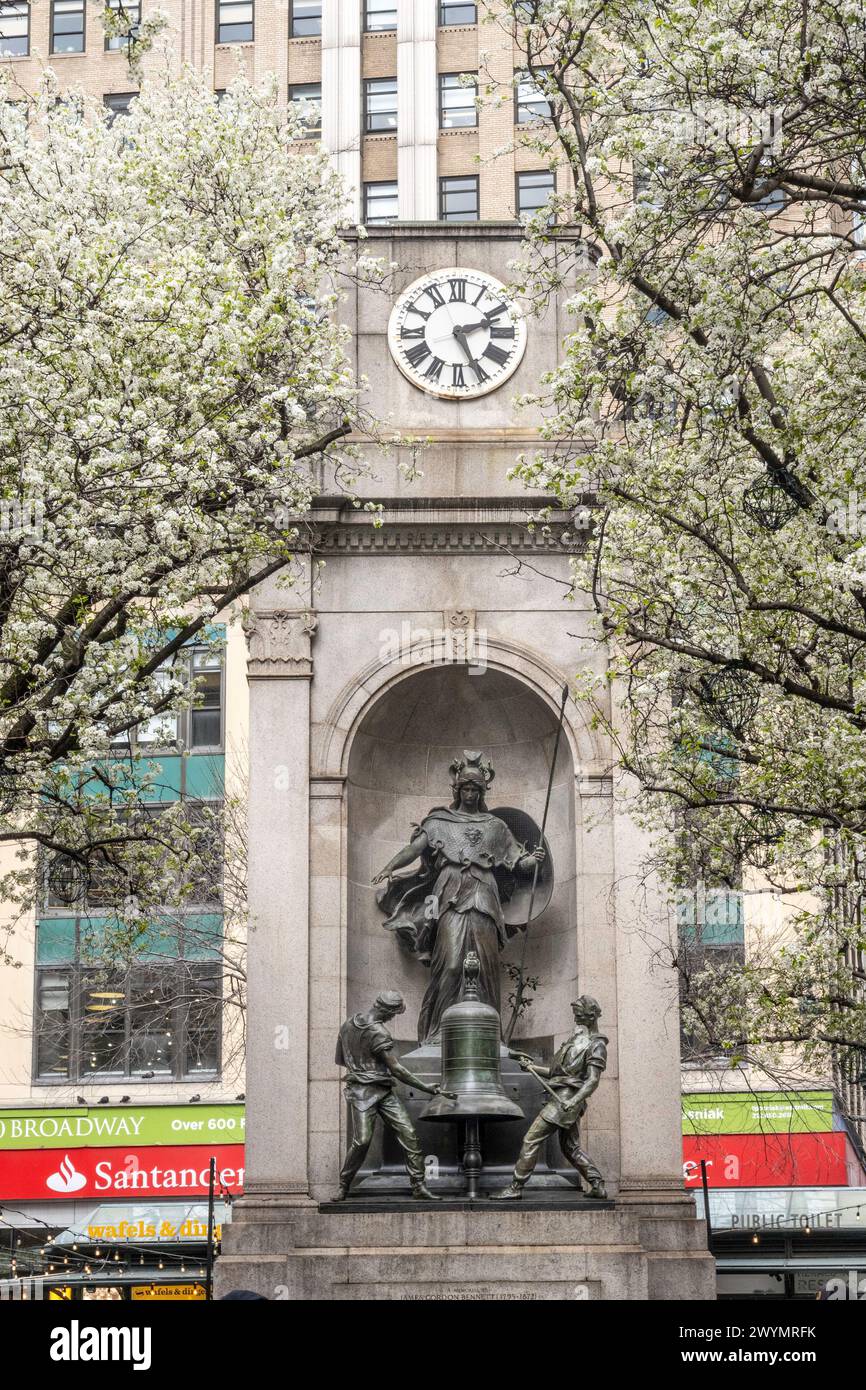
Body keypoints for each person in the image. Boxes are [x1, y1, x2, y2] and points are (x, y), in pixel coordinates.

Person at [372, 750, 545, 1042]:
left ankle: (488, 1035)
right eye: (465, 788)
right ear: (457, 789)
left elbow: (518, 861)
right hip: (450, 891)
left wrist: (534, 860)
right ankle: (438, 1032)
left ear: (482, 792)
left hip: (485, 894)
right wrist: (390, 866)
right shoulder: (439, 821)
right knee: (451, 962)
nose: (469, 794)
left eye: (475, 789)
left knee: (486, 964)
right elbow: (414, 850)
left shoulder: (496, 827)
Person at [335, 989, 455, 1200]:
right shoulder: (378, 1032)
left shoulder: (347, 1024)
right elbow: (397, 1069)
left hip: (384, 1092)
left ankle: (418, 1185)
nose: (393, 1018)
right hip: (363, 1093)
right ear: (388, 1012)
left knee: (409, 1134)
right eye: (394, 1014)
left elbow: (341, 1059)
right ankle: (344, 1184)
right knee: (362, 1140)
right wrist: (426, 1087)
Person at [493, 995, 608, 1200]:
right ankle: (596, 1183)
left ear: (590, 1017)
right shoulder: (575, 1041)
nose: (575, 1019)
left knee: (531, 1139)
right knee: (570, 1147)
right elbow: (557, 1073)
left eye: (578, 1015)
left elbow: (592, 1081)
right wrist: (530, 1067)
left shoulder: (596, 1045)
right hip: (562, 1099)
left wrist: (573, 1101)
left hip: (565, 1100)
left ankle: (516, 1186)